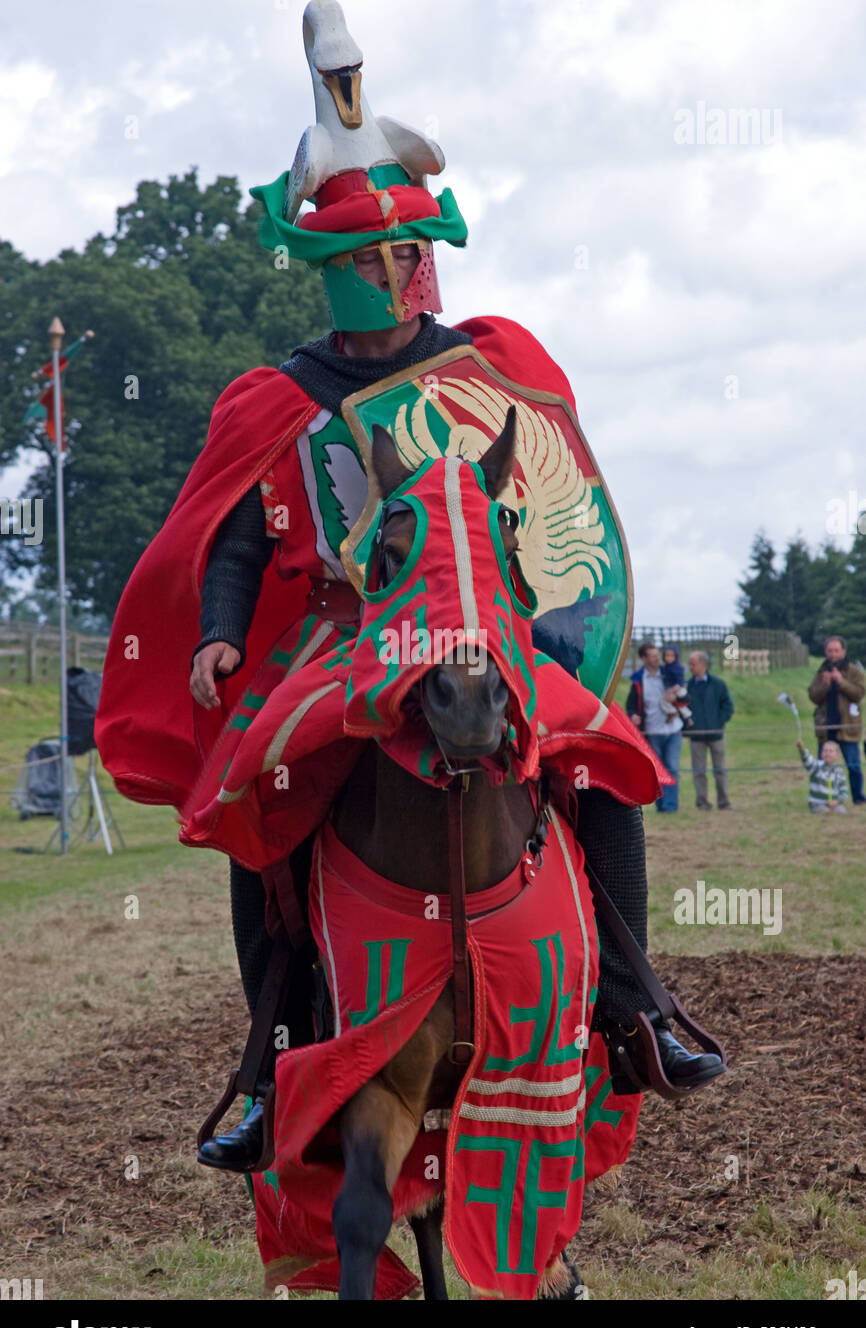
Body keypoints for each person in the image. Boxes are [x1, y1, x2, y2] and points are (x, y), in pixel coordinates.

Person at [96, 1, 724, 1173]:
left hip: (493, 625)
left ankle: (632, 1003)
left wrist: (552, 630)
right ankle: (270, 1054)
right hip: (349, 643)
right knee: (263, 801)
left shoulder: (489, 364)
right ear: (330, 268)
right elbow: (235, 538)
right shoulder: (276, 398)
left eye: (406, 251)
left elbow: (554, 505)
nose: (395, 273)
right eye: (370, 258)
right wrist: (225, 635)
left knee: (605, 759)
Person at [807, 636, 865, 805]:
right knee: (822, 767)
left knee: (853, 765)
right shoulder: (821, 672)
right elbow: (813, 697)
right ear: (826, 652)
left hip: (848, 726)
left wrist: (841, 682)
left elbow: (860, 693)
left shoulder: (853, 671)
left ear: (843, 652)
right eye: (830, 650)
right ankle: (823, 798)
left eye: (836, 650)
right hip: (826, 726)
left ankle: (858, 798)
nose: (833, 654)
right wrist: (824, 685)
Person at [626, 641, 683, 812]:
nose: (657, 659)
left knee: (672, 766)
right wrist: (633, 715)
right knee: (657, 770)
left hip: (673, 729)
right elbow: (631, 705)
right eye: (652, 656)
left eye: (658, 655)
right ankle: (660, 805)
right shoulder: (637, 680)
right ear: (643, 658)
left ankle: (670, 806)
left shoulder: (669, 674)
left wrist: (677, 698)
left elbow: (685, 696)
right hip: (652, 730)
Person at [685, 650, 734, 810]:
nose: (690, 667)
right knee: (699, 771)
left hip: (716, 735)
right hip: (696, 737)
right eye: (689, 664)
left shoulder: (718, 684)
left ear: (703, 664)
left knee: (719, 769)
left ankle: (723, 801)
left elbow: (728, 706)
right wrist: (689, 727)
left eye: (693, 664)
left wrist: (718, 723)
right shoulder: (687, 686)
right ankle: (702, 802)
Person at [796, 738, 848, 813]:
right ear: (821, 753)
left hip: (834, 803)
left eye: (831, 751)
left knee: (842, 811)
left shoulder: (839, 771)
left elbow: (843, 792)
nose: (827, 753)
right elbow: (807, 760)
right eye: (825, 750)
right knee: (824, 811)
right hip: (817, 803)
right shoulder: (816, 766)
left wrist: (836, 801)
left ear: (837, 755)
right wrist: (801, 750)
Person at [661, 643, 694, 730]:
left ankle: (674, 713)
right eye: (667, 655)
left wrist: (671, 691)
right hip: (673, 688)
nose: (669, 658)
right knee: (678, 705)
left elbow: (679, 683)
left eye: (671, 656)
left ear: (676, 656)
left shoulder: (677, 667)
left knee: (666, 701)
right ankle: (686, 717)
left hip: (679, 688)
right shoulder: (666, 667)